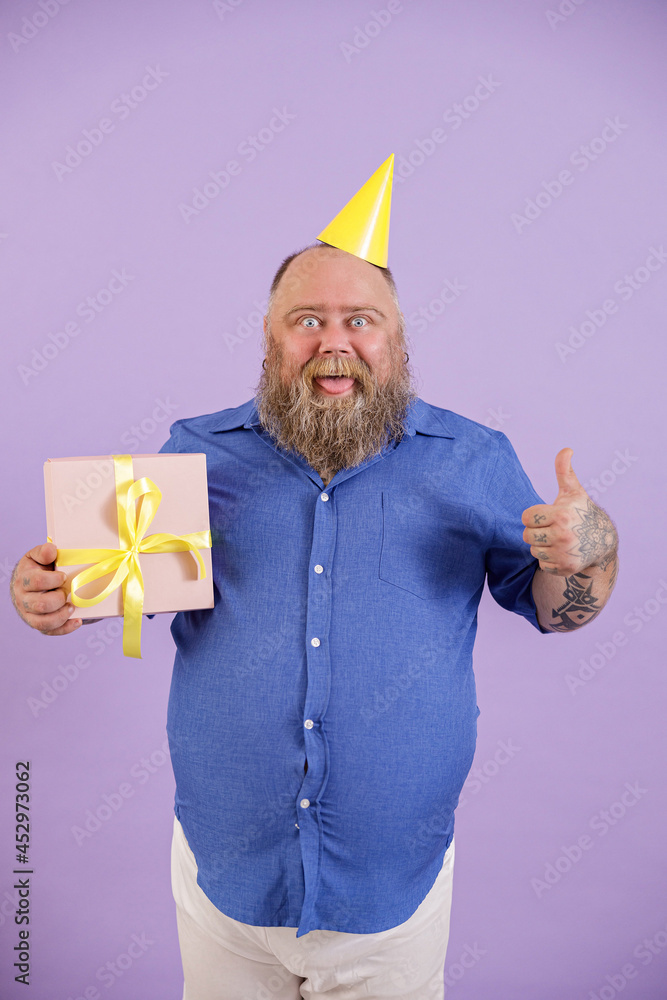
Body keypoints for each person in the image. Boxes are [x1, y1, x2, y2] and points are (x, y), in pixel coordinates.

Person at [10, 166, 618, 999]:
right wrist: (51, 595)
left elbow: (560, 611)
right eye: (307, 320)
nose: (335, 342)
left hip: (391, 890)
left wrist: (589, 552)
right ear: (269, 338)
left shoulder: (474, 459)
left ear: (397, 341)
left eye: (360, 320)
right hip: (225, 882)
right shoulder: (196, 452)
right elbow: (112, 584)